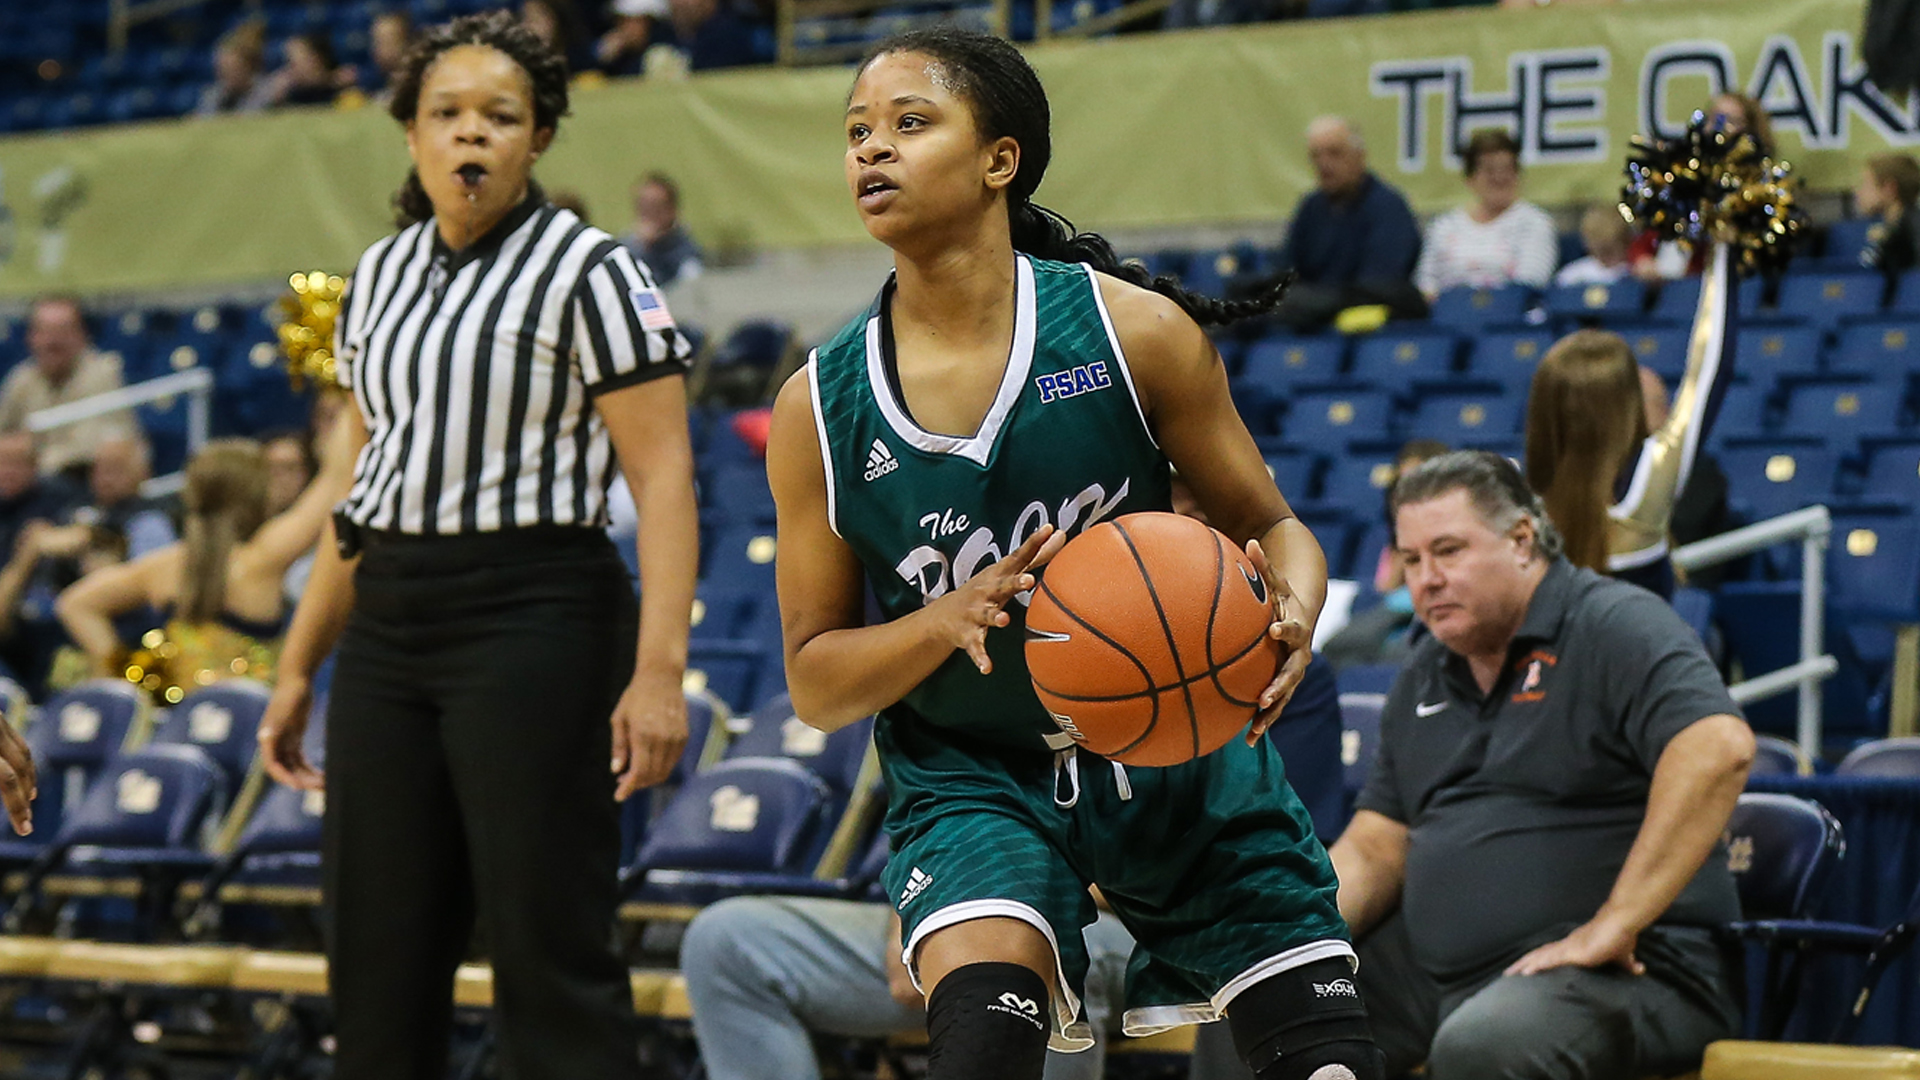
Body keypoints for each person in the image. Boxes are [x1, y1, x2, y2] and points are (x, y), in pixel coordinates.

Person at [767, 28, 1379, 1080]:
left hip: (1180, 750)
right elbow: (817, 683)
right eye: (858, 132)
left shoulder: (1134, 335)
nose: (873, 151)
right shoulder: (816, 407)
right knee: (982, 1053)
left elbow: (1270, 525)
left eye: (911, 124)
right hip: (976, 776)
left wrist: (1296, 609)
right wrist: (939, 620)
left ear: (1001, 159)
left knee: (1328, 1066)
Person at [250, 14, 699, 1080]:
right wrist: (298, 664)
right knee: (375, 953)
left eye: (501, 117)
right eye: (447, 113)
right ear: (409, 131)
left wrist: (660, 672)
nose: (473, 135)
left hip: (537, 608)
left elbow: (667, 476)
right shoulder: (381, 277)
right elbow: (359, 491)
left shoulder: (591, 269)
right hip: (391, 620)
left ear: (538, 138)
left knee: (547, 948)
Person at [1330, 450, 1753, 1079]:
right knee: (1268, 1012)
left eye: (1449, 551)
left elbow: (1719, 747)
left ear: (1522, 540)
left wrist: (1614, 923)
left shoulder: (1613, 623)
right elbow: (1377, 845)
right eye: (1412, 560)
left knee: (1486, 1045)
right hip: (1437, 972)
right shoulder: (1425, 668)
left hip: (1632, 970)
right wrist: (1294, 935)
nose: (1427, 579)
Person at [55, 436, 348, 689]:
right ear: (255, 494)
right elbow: (335, 481)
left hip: (183, 724)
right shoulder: (262, 558)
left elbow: (76, 604)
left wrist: (129, 673)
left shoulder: (163, 565)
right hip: (251, 736)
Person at [1525, 314, 1733, 598]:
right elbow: (1709, 371)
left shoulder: (1519, 510)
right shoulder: (1647, 491)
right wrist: (1722, 271)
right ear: (1626, 412)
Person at [1266, 116, 1424, 331]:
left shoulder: (1388, 207)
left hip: (1362, 326)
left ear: (1360, 156)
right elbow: (1287, 270)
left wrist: (1316, 299)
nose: (1324, 164)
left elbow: (1378, 285)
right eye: (1316, 156)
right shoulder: (1310, 207)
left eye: (1334, 153)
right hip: (1307, 318)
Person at [1321, 439, 1448, 673]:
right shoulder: (1394, 541)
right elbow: (1384, 594)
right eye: (1402, 484)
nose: (1408, 495)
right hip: (1392, 627)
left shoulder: (1457, 540)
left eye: (1420, 485)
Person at [1630, 93, 1775, 283]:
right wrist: (1643, 260)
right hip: (1669, 288)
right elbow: (1649, 238)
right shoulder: (1682, 175)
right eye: (1715, 117)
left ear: (1750, 130)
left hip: (1725, 285)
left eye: (1730, 120)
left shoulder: (1761, 185)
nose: (1719, 127)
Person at [0, 296, 141, 481]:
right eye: (44, 331)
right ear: (30, 337)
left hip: (84, 482)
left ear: (81, 334)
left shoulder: (103, 372)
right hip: (32, 488)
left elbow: (89, 449)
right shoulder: (21, 378)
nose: (53, 341)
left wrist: (30, 456)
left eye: (62, 331)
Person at [1413, 129, 1557, 300]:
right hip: (1448, 317)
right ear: (1470, 178)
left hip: (1509, 317)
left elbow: (1531, 282)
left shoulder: (1534, 222)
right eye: (1489, 170)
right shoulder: (1444, 225)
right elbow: (1424, 282)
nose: (1499, 177)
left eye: (1507, 169)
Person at [1638, 366, 1731, 589]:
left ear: (1664, 411)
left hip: (1685, 593)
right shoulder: (1605, 466)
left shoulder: (1697, 469)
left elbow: (1680, 527)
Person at [623, 173, 704, 288]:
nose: (648, 215)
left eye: (655, 208)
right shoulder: (627, 246)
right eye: (643, 207)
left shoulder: (685, 254)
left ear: (672, 210)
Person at [1856, 152, 1920, 287]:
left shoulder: (1912, 228)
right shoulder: (1889, 227)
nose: (1859, 192)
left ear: (1889, 188)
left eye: (1866, 185)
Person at [195, 22, 275, 116]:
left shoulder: (268, 92)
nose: (224, 76)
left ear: (248, 67)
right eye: (221, 70)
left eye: (232, 70)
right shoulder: (212, 95)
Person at [1553, 205, 1634, 287]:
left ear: (1625, 242)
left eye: (1609, 251)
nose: (1605, 257)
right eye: (1599, 252)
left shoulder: (1634, 273)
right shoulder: (1572, 276)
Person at [269, 33, 356, 107]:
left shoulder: (343, 85)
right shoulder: (287, 91)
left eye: (297, 61)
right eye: (289, 61)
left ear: (317, 59)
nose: (292, 68)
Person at [367, 11, 416, 103]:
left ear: (407, 42)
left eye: (390, 42)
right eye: (378, 42)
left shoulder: (419, 82)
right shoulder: (370, 83)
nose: (383, 49)